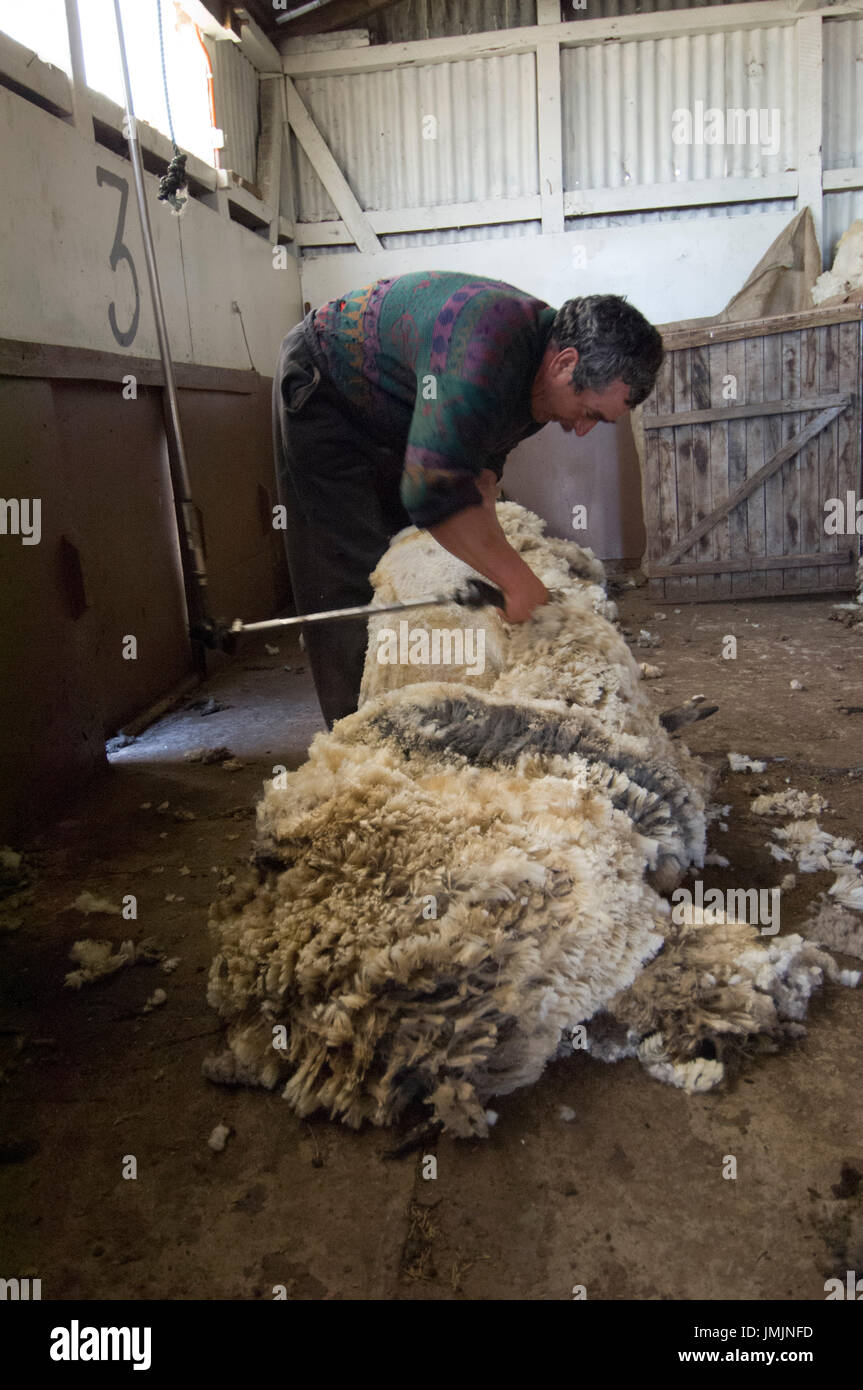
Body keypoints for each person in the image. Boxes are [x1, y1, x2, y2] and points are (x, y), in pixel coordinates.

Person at [272, 270, 663, 727]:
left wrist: (499, 569)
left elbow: (477, 480)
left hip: (394, 408)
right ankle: (359, 741)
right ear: (565, 363)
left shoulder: (539, 383)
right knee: (350, 570)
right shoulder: (484, 347)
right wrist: (519, 583)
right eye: (590, 412)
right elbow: (432, 490)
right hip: (327, 387)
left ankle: (421, 708)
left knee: (412, 555)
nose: (582, 429)